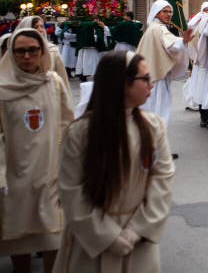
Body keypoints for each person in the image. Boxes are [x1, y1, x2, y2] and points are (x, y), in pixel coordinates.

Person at [53, 51, 175, 272]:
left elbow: (162, 181)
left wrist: (138, 230)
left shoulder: (153, 126)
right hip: (90, 239)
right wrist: (107, 236)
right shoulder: (80, 132)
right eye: (145, 78)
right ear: (121, 83)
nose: (151, 84)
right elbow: (71, 190)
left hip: (138, 240)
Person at [0, 29, 74, 273]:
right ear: (12, 54)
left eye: (33, 50)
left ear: (42, 51)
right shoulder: (3, 90)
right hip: (15, 175)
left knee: (53, 233)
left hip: (50, 172)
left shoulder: (52, 83)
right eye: (21, 51)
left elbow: (66, 121)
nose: (28, 56)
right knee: (19, 237)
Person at [136, 0, 192, 131]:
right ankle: (157, 146)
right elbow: (171, 44)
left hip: (151, 76)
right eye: (165, 11)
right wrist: (183, 41)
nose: (169, 14)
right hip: (158, 78)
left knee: (152, 111)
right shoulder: (159, 28)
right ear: (156, 13)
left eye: (170, 11)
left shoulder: (152, 28)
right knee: (160, 112)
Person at [17, 15, 70, 89]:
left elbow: (62, 78)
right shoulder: (17, 50)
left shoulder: (52, 50)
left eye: (41, 26)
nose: (40, 30)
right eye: (36, 27)